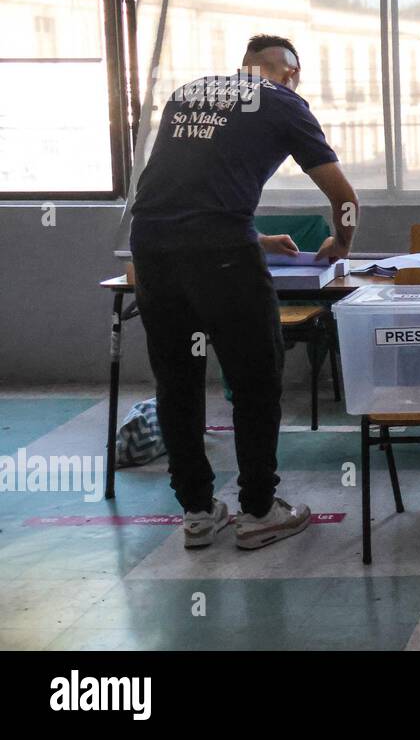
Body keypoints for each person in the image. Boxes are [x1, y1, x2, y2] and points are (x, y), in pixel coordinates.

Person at [130, 34, 359, 551]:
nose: (293, 82)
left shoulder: (189, 93)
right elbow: (344, 197)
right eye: (293, 74)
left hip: (153, 249)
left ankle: (197, 512)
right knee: (255, 378)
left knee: (177, 381)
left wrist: (253, 234)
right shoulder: (283, 102)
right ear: (285, 72)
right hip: (224, 257)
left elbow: (180, 191)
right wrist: (339, 244)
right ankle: (258, 510)